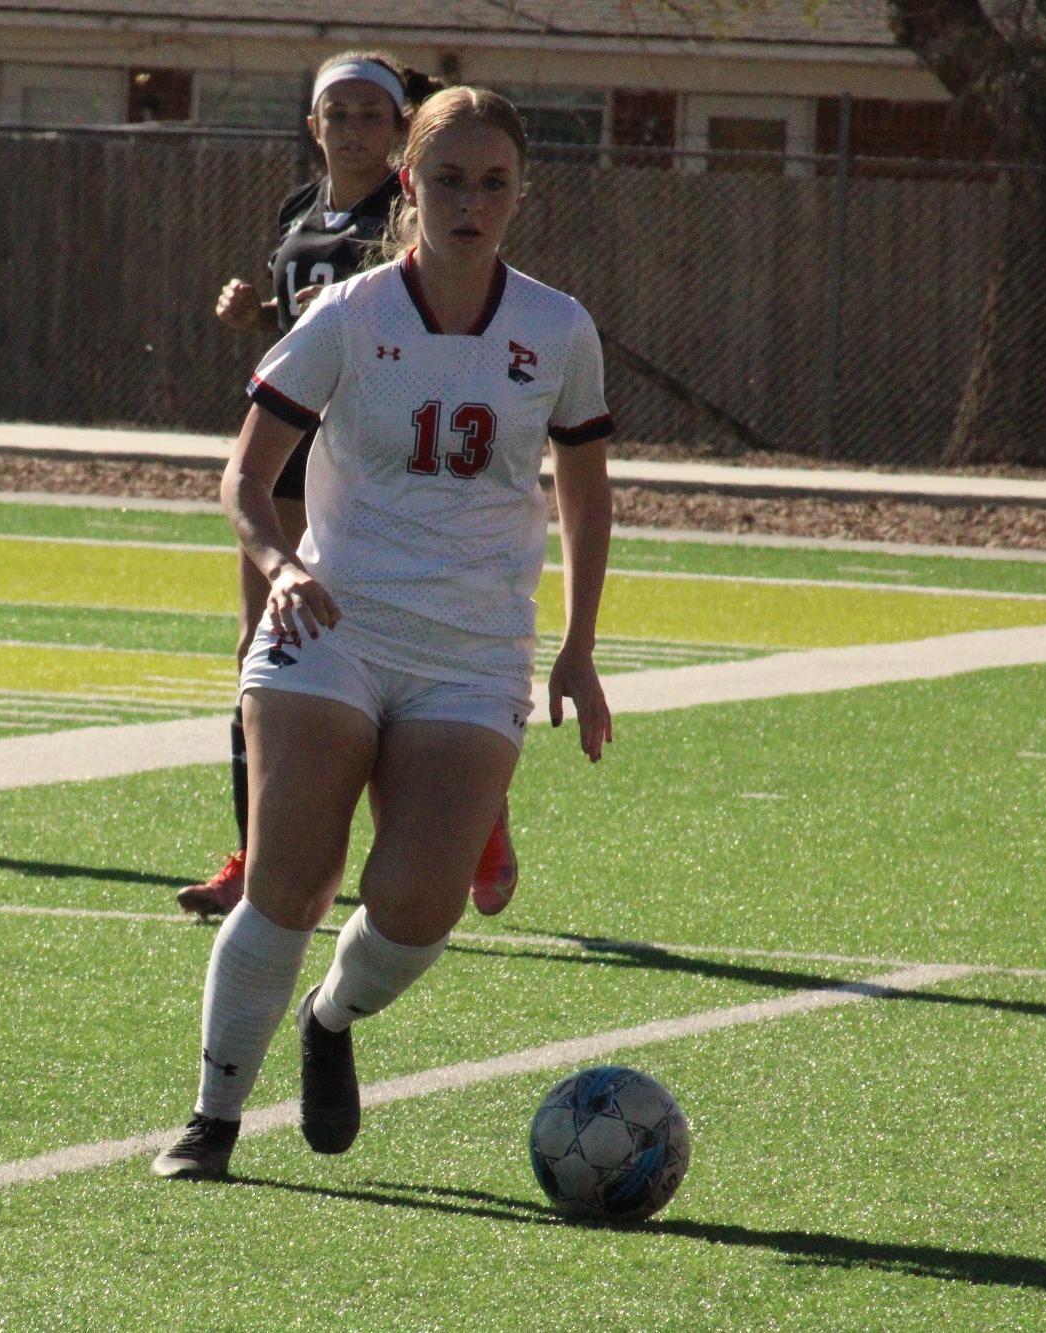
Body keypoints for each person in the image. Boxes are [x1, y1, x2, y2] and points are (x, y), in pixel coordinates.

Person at [152, 87, 617, 1180]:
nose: (470, 201)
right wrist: (275, 567)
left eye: (492, 182)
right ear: (409, 186)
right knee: (291, 877)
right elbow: (244, 476)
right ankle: (212, 1116)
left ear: (518, 194)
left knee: (415, 908)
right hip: (334, 623)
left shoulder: (555, 327)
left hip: (472, 646)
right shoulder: (347, 315)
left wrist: (580, 644)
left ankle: (328, 1018)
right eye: (447, 179)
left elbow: (587, 495)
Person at [182, 51, 519, 922]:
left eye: (375, 114)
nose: (356, 128)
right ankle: (258, 854)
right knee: (263, 651)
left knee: (389, 659)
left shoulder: (411, 211)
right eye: (340, 113)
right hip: (292, 443)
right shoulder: (303, 207)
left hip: (371, 455)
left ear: (402, 131)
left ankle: (469, 812)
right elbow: (307, 325)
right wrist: (252, 314)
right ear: (313, 126)